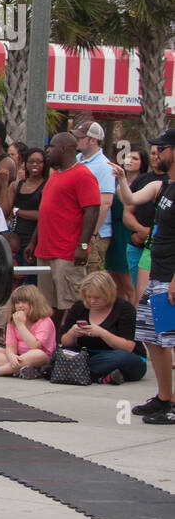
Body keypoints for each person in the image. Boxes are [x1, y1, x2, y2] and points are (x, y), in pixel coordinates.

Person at [107, 134, 175, 423]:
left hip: (170, 276)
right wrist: (122, 178)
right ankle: (164, 398)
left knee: (171, 338)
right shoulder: (163, 186)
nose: (156, 152)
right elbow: (131, 199)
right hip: (157, 273)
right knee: (154, 339)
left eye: (161, 148)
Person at [27, 132, 101, 326]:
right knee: (47, 306)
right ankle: (52, 346)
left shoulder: (82, 174)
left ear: (64, 149)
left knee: (71, 304)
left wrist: (83, 246)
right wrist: (34, 241)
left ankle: (70, 348)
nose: (47, 152)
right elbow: (46, 212)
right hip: (46, 250)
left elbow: (92, 211)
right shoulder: (55, 175)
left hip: (67, 252)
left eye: (51, 147)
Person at [58, 271, 147, 385]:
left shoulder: (124, 308)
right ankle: (99, 376)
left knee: (120, 358)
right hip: (86, 354)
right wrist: (72, 333)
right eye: (89, 297)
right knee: (58, 353)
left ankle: (70, 370)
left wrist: (102, 333)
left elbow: (128, 347)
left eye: (97, 298)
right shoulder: (79, 307)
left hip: (116, 355)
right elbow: (65, 342)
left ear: (108, 294)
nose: (92, 301)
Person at [0, 285, 56, 377]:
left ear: (34, 303)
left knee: (37, 354)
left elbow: (34, 346)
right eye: (17, 303)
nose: (20, 306)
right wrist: (12, 356)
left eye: (24, 302)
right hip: (18, 355)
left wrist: (20, 325)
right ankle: (23, 370)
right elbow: (11, 346)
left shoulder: (45, 321)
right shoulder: (13, 321)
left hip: (39, 357)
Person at [73, 121, 116, 277]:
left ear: (93, 140)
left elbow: (105, 203)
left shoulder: (104, 165)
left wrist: (91, 235)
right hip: (77, 231)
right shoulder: (76, 159)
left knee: (91, 276)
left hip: (96, 234)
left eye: (81, 137)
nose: (76, 139)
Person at [122, 147, 161, 288]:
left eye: (159, 152)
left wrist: (149, 235)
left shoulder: (168, 182)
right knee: (135, 290)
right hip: (136, 245)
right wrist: (140, 230)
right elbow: (127, 210)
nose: (156, 156)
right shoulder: (142, 180)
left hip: (158, 249)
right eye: (153, 153)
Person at [11, 147, 47, 270]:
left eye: (39, 161)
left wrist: (18, 212)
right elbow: (5, 210)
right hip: (16, 238)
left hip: (34, 238)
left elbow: (43, 214)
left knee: (30, 276)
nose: (35, 164)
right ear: (25, 164)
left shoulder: (46, 186)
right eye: (31, 161)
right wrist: (6, 182)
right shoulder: (18, 185)